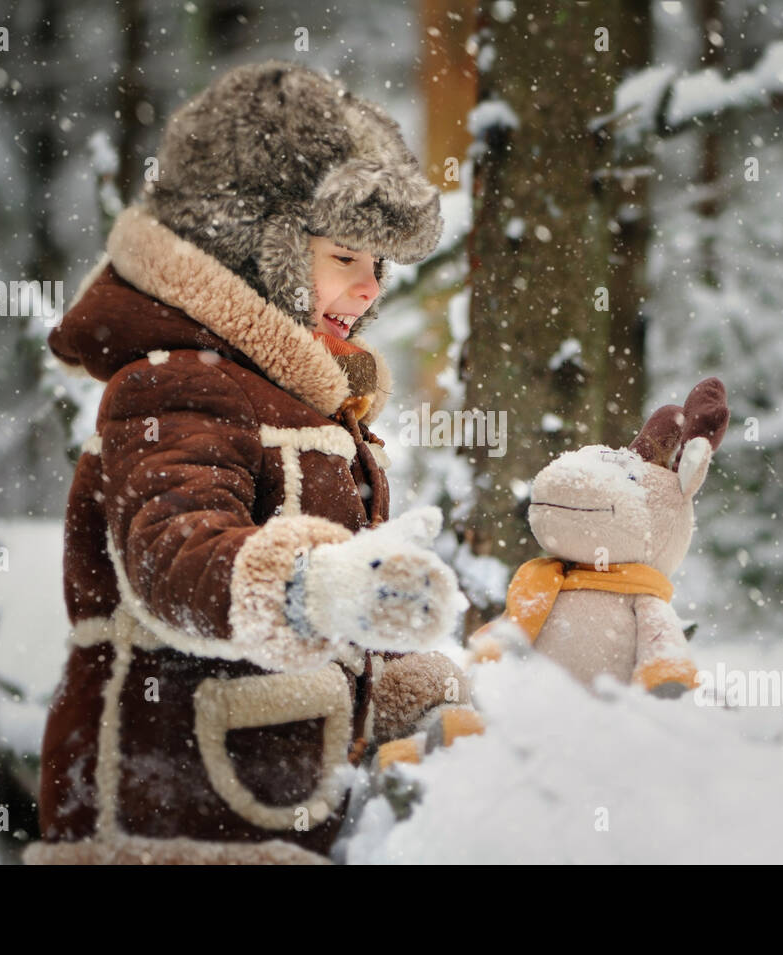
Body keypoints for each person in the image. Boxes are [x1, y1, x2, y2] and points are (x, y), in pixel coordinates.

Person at [25, 60, 479, 866]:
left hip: (267, 811)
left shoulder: (296, 399)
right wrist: (316, 587)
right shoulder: (173, 385)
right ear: (256, 248)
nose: (370, 290)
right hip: (169, 817)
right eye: (347, 257)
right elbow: (172, 552)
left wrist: (403, 677)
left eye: (382, 266)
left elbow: (340, 615)